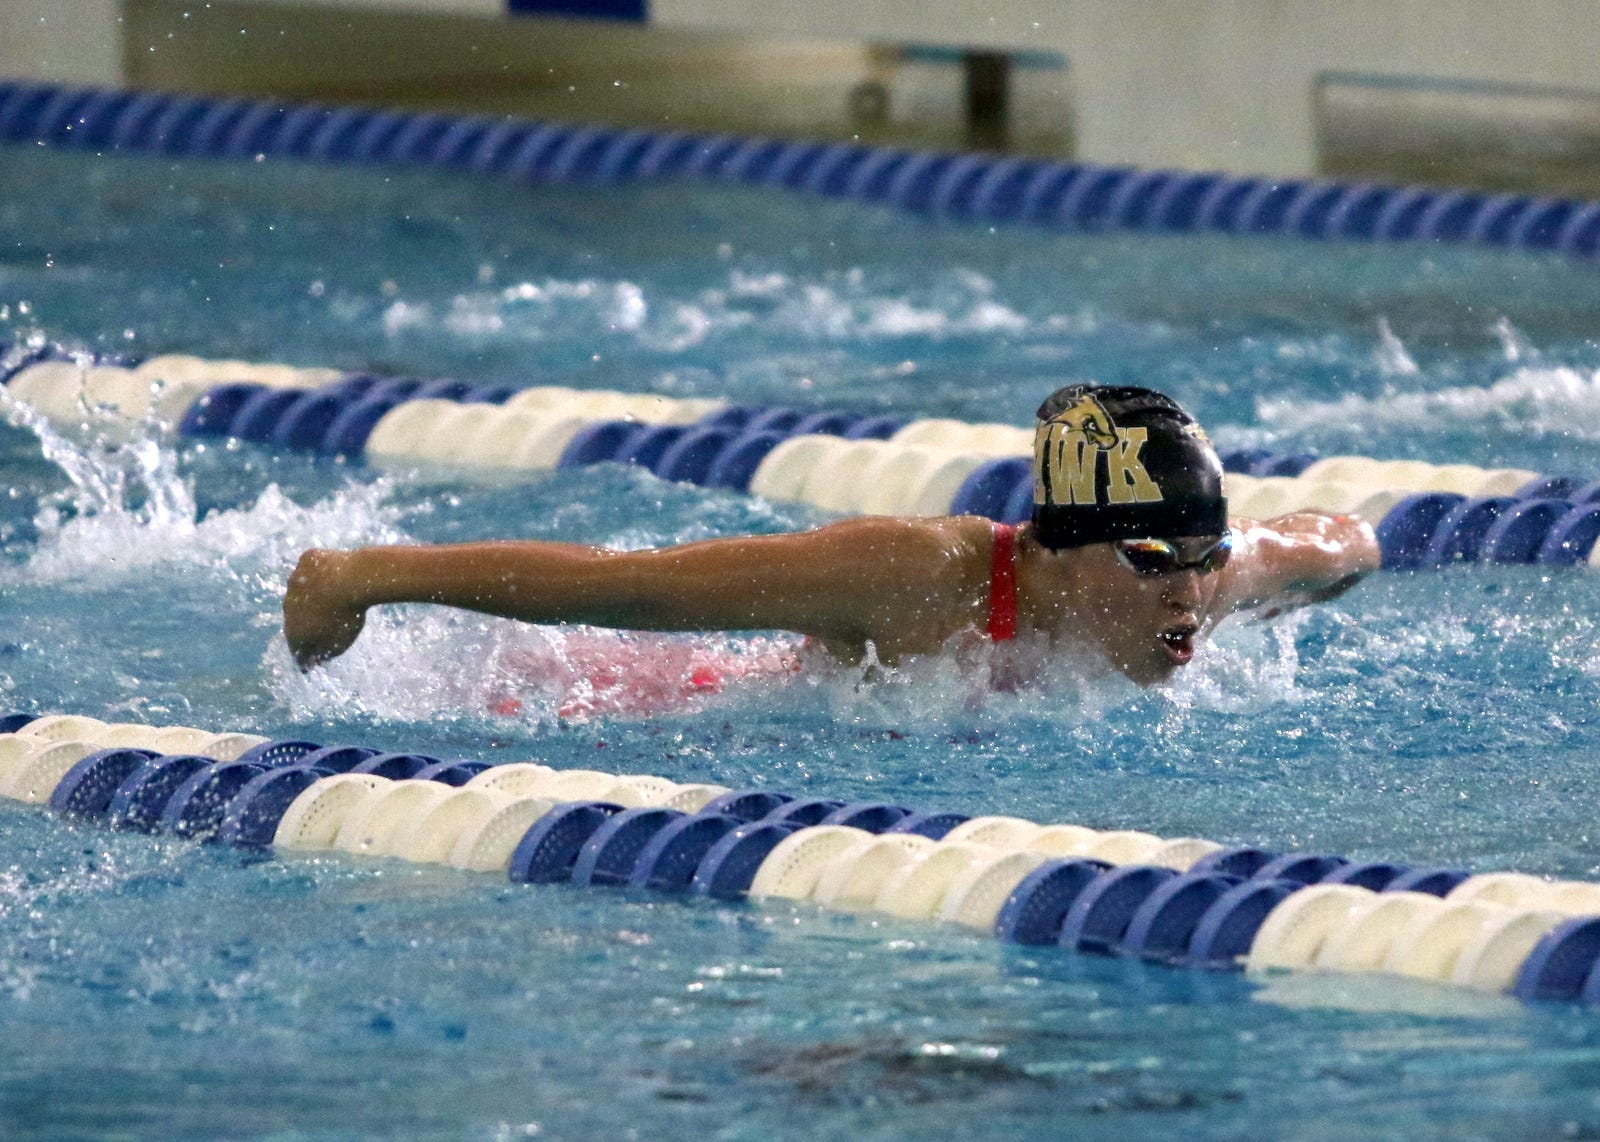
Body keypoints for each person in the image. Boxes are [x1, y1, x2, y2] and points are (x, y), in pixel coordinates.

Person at [282, 384, 1380, 686]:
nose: (1188, 595)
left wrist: (1336, 549)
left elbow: (1340, 542)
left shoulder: (1204, 585)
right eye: (1152, 561)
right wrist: (371, 576)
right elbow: (637, 591)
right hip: (682, 695)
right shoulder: (917, 577)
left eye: (1204, 559)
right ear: (1061, 545)